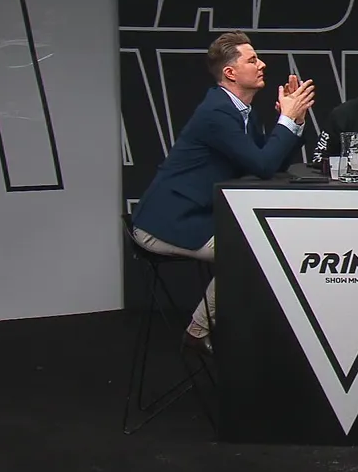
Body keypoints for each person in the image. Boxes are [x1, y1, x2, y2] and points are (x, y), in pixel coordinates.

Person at [131, 31, 315, 356]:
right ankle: (198, 332)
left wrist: (294, 121)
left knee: (265, 246)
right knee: (256, 251)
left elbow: (269, 163)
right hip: (166, 223)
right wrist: (285, 120)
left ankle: (238, 335)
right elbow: (263, 165)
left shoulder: (243, 112)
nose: (262, 64)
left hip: (196, 216)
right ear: (230, 72)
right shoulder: (217, 112)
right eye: (252, 60)